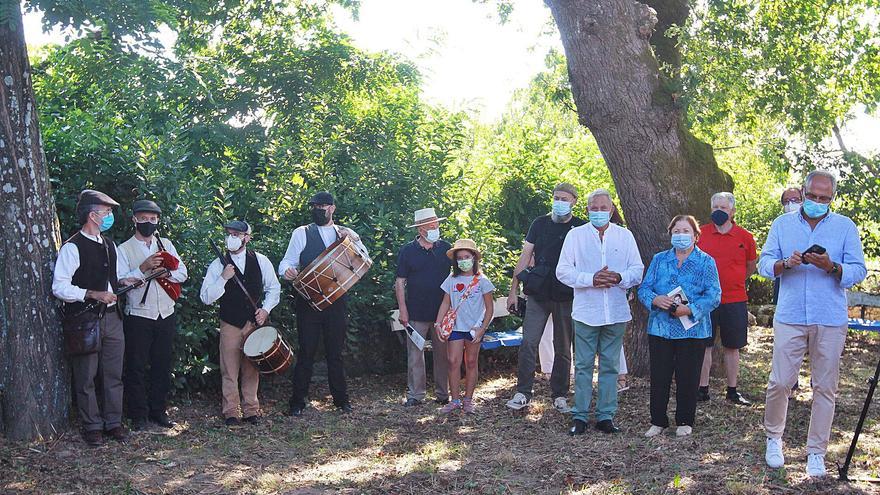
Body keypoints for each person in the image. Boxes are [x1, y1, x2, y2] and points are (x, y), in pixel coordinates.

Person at [759, 170, 866, 477]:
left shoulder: (845, 227)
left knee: (825, 388)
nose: (819, 202)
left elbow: (858, 270)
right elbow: (765, 263)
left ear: (832, 198)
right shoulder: (782, 224)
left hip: (829, 316)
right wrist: (785, 264)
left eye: (825, 198)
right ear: (803, 194)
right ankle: (773, 438)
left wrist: (831, 266)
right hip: (790, 314)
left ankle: (816, 452)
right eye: (814, 196)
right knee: (780, 381)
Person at [52, 189, 138, 446]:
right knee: (86, 375)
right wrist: (92, 294)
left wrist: (126, 279)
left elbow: (115, 277)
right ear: (93, 215)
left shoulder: (110, 245)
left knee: (113, 374)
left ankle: (113, 423)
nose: (110, 216)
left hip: (113, 319)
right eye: (107, 212)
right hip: (84, 321)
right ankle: (92, 427)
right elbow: (59, 287)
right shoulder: (72, 247)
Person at [556, 188, 643, 435]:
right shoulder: (575, 236)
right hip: (586, 311)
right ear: (587, 210)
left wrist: (618, 277)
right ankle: (580, 416)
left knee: (610, 366)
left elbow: (637, 269)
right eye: (594, 208)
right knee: (582, 365)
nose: (599, 212)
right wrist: (590, 279)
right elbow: (562, 271)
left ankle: (606, 415)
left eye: (603, 208)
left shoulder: (625, 237)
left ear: (612, 210)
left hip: (615, 311)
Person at [279, 192, 368, 416]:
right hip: (308, 302)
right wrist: (287, 271)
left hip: (337, 302)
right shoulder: (301, 233)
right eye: (315, 206)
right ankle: (297, 402)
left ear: (332, 208)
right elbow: (287, 262)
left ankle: (341, 400)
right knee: (306, 352)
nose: (318, 209)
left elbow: (363, 258)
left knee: (335, 353)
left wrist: (354, 239)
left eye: (323, 206)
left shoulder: (345, 233)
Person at [638, 215, 721, 438]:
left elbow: (714, 295)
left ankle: (685, 420)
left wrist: (691, 309)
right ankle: (658, 421)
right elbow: (644, 289)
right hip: (660, 328)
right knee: (659, 376)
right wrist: (656, 300)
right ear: (670, 234)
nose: (681, 236)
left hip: (693, 329)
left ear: (695, 236)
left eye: (686, 232)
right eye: (677, 231)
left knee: (688, 376)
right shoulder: (659, 260)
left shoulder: (706, 262)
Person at [505, 183, 585, 413]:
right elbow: (525, 255)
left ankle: (560, 394)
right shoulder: (539, 224)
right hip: (538, 292)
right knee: (529, 341)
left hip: (565, 294)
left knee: (563, 346)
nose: (559, 201)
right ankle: (523, 392)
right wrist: (513, 289)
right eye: (556, 197)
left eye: (564, 198)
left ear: (573, 202)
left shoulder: (580, 227)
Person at [200, 220, 281, 426]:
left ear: (247, 237)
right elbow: (206, 297)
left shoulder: (261, 260)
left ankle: (251, 410)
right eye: (229, 233)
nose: (232, 237)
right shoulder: (218, 264)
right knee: (229, 368)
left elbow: (273, 288)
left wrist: (265, 310)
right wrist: (223, 278)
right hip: (230, 323)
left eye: (237, 234)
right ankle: (231, 412)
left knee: (252, 367)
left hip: (254, 323)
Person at [117, 200, 188, 431]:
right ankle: (138, 415)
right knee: (136, 365)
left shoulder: (165, 243)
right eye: (144, 219)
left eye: (153, 219)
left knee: (162, 364)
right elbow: (121, 281)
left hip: (165, 313)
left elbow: (183, 273)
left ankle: (158, 411)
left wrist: (166, 272)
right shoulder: (124, 249)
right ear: (134, 220)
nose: (148, 223)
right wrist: (144, 267)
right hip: (138, 315)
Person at [697, 192, 757, 405]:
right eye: (715, 208)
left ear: (732, 212)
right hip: (706, 300)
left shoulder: (745, 237)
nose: (719, 212)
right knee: (705, 345)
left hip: (735, 299)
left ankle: (732, 390)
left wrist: (736, 279)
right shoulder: (700, 234)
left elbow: (751, 265)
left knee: (733, 346)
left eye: (723, 208)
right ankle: (702, 389)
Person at [395, 207, 453, 407]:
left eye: (436, 223)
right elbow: (400, 281)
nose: (435, 227)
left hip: (442, 312)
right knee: (415, 354)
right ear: (420, 230)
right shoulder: (407, 251)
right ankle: (416, 395)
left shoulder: (446, 248)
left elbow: (456, 279)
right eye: (431, 225)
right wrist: (403, 309)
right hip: (416, 311)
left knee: (443, 354)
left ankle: (443, 394)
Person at [435, 239, 495, 414]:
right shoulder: (451, 279)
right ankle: (454, 399)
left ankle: (468, 399)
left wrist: (482, 328)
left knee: (471, 361)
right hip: (455, 327)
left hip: (474, 329)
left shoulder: (482, 281)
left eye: (466, 257)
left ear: (474, 258)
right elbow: (445, 303)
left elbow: (489, 308)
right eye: (459, 258)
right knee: (453, 361)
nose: (463, 261)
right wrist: (438, 324)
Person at [773, 187, 804, 305]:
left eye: (795, 200)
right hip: (784, 283)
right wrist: (786, 263)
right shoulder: (779, 226)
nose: (790, 204)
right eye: (786, 201)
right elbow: (767, 263)